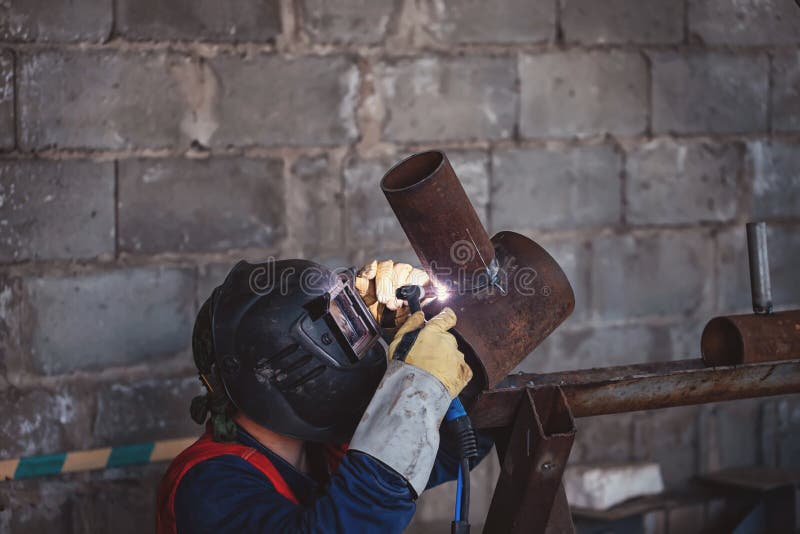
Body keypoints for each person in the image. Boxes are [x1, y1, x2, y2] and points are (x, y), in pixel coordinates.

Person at [156, 258, 493, 533]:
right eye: (336, 326)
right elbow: (349, 522)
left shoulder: (323, 445)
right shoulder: (207, 487)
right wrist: (415, 390)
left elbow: (457, 447)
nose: (358, 335)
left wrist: (441, 334)